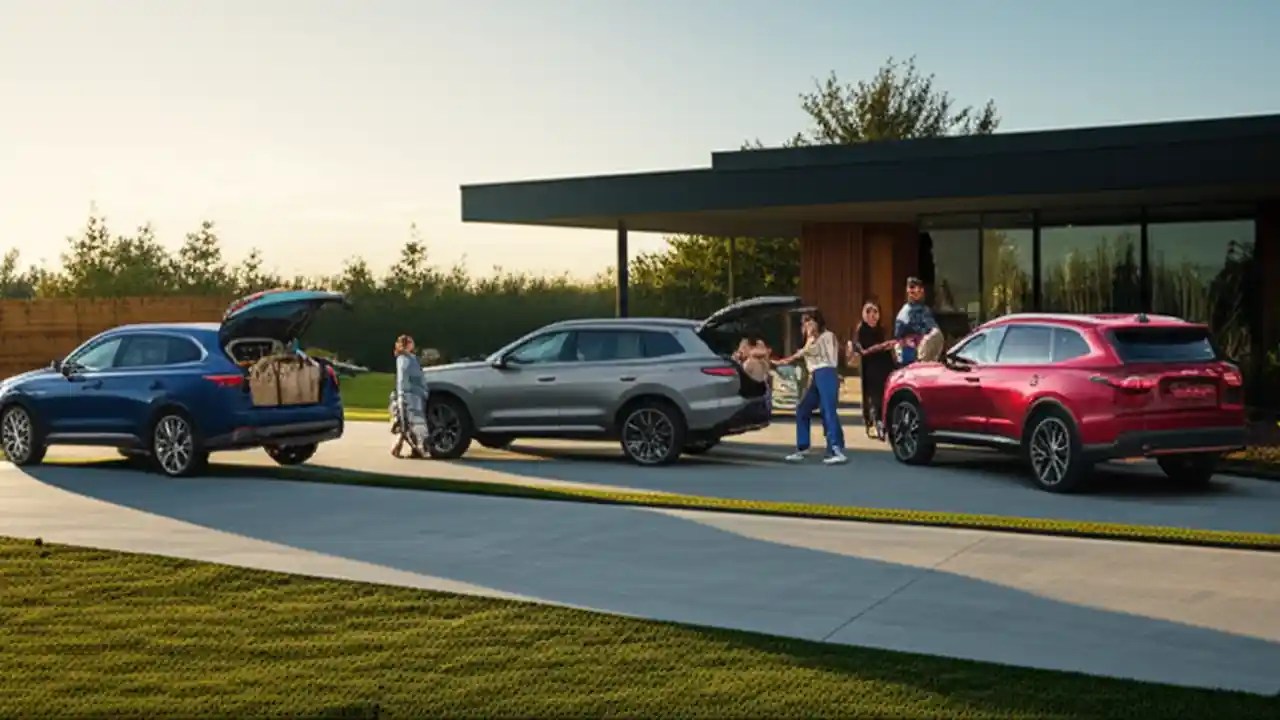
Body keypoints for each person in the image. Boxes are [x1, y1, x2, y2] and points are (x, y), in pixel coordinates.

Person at [773, 310, 847, 465]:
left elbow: (814, 352)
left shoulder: (827, 336)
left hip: (826, 372)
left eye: (811, 321)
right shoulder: (809, 339)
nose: (808, 326)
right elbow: (804, 356)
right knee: (802, 408)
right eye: (805, 323)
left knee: (828, 409)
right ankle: (803, 446)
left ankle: (836, 448)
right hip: (815, 375)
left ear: (818, 322)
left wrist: (806, 343)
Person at [847, 301, 894, 439]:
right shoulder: (861, 329)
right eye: (868, 312)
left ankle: (884, 422)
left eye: (875, 312)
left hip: (884, 366)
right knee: (872, 397)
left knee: (884, 394)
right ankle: (872, 422)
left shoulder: (882, 329)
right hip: (869, 368)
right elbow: (860, 348)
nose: (872, 316)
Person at [391, 334, 430, 458]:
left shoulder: (410, 358)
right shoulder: (403, 359)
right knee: (410, 423)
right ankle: (416, 449)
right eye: (411, 343)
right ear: (407, 344)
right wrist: (401, 395)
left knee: (407, 424)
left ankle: (401, 449)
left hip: (414, 394)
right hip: (409, 395)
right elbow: (402, 378)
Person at [894, 277, 944, 365]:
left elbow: (934, 331)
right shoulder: (904, 313)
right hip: (912, 354)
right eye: (912, 288)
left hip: (929, 352)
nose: (916, 291)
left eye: (919, 289)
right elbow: (898, 338)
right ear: (907, 291)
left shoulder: (926, 310)